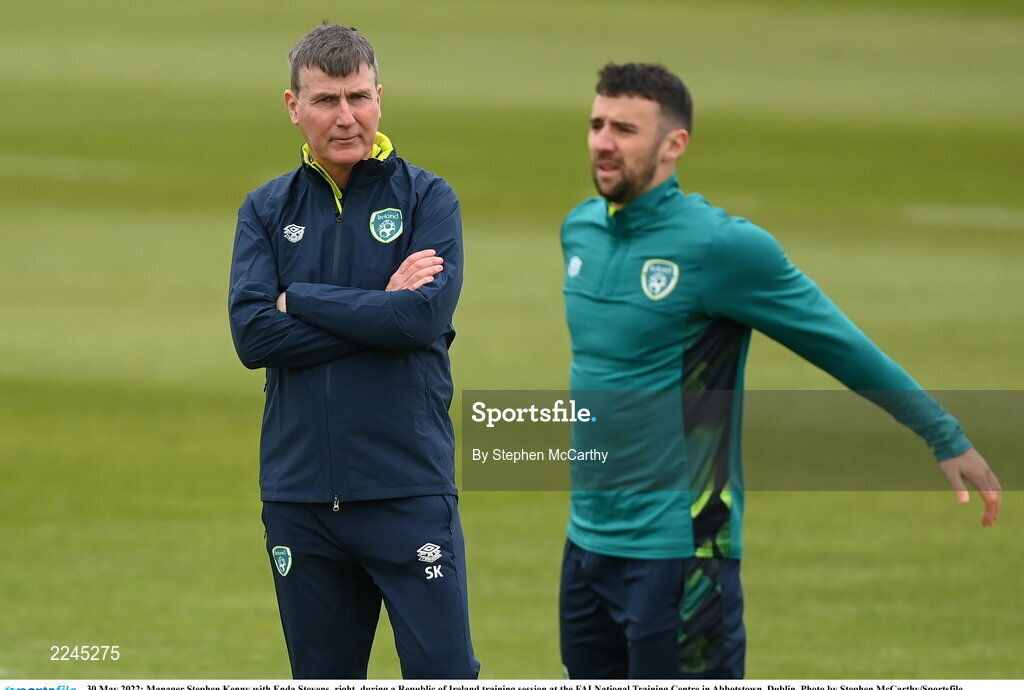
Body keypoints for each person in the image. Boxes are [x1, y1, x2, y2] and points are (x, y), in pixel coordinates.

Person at [558, 62, 1001, 680]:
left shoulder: (723, 250)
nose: (603, 142)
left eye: (625, 129)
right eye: (597, 124)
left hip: (681, 552)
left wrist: (942, 433)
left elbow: (838, 342)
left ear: (674, 144)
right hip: (587, 546)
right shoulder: (580, 231)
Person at [228, 24, 479, 680]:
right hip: (300, 498)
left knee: (446, 674)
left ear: (380, 98)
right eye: (326, 101)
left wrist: (300, 300)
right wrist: (379, 305)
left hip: (405, 489)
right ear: (293, 107)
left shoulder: (428, 199)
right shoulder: (265, 209)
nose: (346, 117)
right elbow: (253, 336)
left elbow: (421, 317)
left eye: (359, 98)